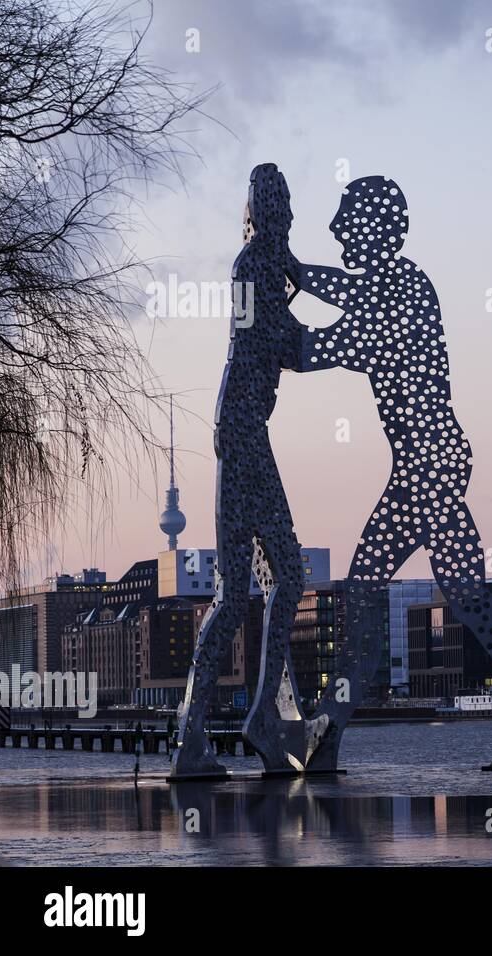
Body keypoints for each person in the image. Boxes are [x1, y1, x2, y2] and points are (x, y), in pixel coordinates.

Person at [289, 176, 492, 769]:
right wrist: (292, 271)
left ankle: (327, 728)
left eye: (347, 219)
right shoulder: (399, 284)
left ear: (374, 227)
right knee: (467, 594)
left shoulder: (399, 291)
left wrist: (266, 309)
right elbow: (341, 290)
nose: (338, 230)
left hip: (427, 463)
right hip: (435, 458)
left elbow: (312, 351)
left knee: (364, 593)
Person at [173, 164, 309, 777]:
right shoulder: (254, 266)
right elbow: (277, 342)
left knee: (261, 585)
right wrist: (348, 338)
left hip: (242, 433)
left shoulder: (262, 264)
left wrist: (299, 277)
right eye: (278, 206)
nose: (283, 216)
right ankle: (225, 727)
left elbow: (275, 329)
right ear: (266, 212)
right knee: (260, 586)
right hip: (244, 436)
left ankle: (213, 730)